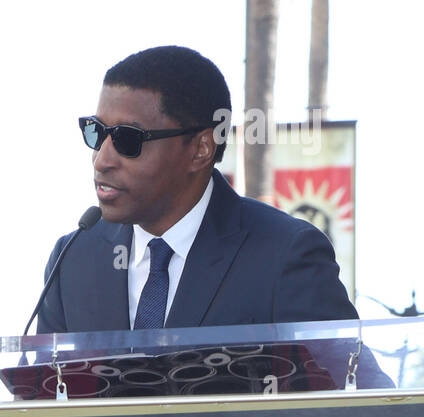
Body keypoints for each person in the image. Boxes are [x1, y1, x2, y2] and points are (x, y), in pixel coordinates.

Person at [37, 45, 360, 334]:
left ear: (201, 149)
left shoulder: (285, 254)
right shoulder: (73, 260)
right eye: (96, 132)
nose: (101, 159)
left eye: (126, 139)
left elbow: (349, 395)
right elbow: (40, 394)